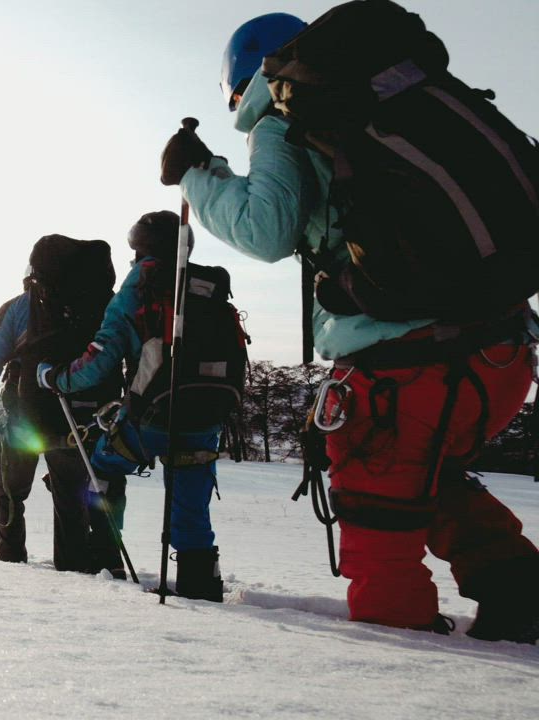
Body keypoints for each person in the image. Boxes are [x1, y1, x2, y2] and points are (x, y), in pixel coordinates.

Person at [159, 10, 539, 640]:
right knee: (431, 480)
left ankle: (398, 666)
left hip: (409, 366)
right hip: (499, 352)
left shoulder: (283, 119)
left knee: (377, 509)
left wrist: (198, 178)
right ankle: (518, 598)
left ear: (243, 80)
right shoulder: (394, 100)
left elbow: (267, 229)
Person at [38, 211, 244, 602]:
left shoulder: (140, 284)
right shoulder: (207, 285)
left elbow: (100, 358)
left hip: (151, 414)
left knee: (101, 467)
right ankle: (200, 585)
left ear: (140, 247)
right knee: (191, 508)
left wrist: (56, 378)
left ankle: (105, 560)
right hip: (205, 414)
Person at [0, 235, 129, 575]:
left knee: (10, 492)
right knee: (71, 502)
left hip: (26, 419)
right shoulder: (106, 305)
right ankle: (73, 569)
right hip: (80, 423)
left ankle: (9, 564)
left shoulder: (20, 307)